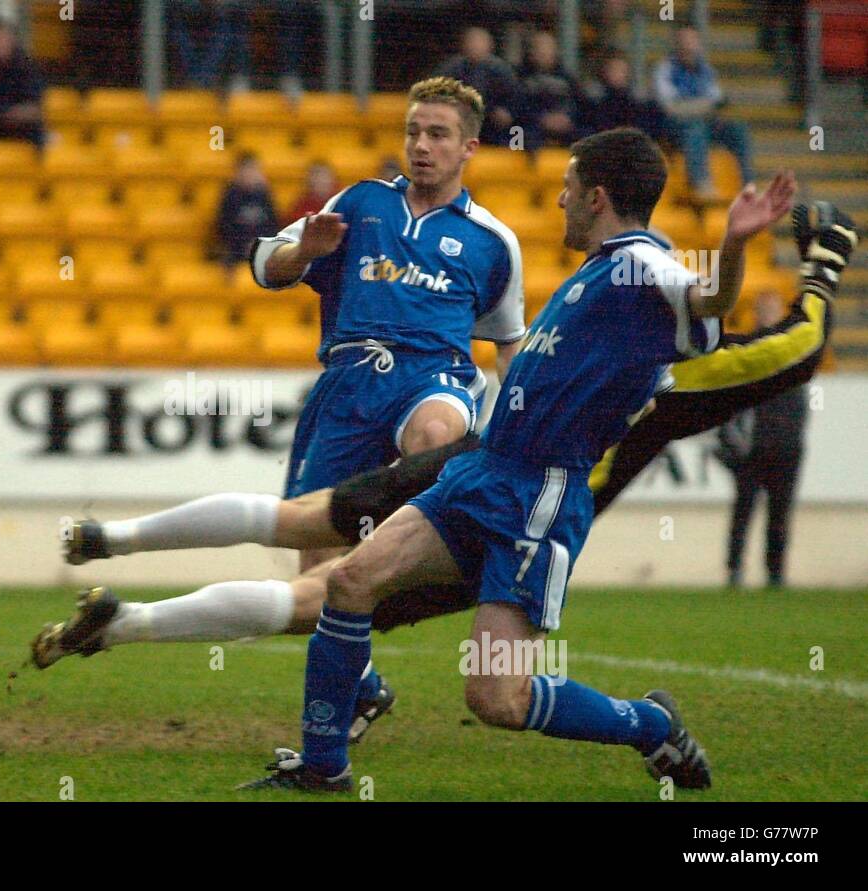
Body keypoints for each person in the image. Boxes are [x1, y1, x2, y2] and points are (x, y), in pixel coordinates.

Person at [36, 201, 853, 747]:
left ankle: (125, 608)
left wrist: (819, 264)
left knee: (335, 598)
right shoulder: (602, 285)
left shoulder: (671, 356)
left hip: (517, 515)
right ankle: (127, 572)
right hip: (472, 471)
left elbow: (779, 341)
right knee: (315, 543)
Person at [244, 130, 794, 792]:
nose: (558, 197)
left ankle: (650, 724)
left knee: (496, 698)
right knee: (349, 581)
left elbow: (708, 300)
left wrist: (734, 242)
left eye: (567, 186)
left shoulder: (641, 264)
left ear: (595, 197)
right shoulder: (598, 269)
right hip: (481, 475)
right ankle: (324, 768)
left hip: (537, 497)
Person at [252, 76, 524, 574]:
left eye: (438, 134)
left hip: (432, 375)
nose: (421, 145)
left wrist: (530, 420)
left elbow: (508, 345)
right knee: (316, 554)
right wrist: (305, 252)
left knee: (438, 432)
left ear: (469, 147)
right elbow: (267, 266)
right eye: (412, 131)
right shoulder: (360, 204)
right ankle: (349, 629)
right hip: (350, 380)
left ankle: (414, 549)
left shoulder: (492, 241)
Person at [723, 291, 811, 588]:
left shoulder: (791, 350)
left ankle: (775, 572)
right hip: (752, 449)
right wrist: (735, 445)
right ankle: (734, 569)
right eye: (764, 309)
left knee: (780, 514)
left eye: (772, 308)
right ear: (756, 313)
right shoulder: (749, 350)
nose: (768, 314)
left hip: (787, 448)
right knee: (743, 510)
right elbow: (730, 403)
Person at [654, 24, 755, 199]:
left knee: (738, 129)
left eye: (692, 41)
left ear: (698, 43)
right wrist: (703, 106)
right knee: (695, 127)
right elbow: (670, 108)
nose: (688, 46)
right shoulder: (665, 69)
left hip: (705, 123)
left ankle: (747, 186)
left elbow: (718, 101)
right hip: (674, 126)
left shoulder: (706, 71)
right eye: (683, 41)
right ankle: (701, 183)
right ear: (676, 44)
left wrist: (696, 106)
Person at [437, 28, 519, 147]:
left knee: (520, 132)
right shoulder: (451, 69)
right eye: (472, 41)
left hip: (492, 124)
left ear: (490, 45)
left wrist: (507, 111)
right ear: (464, 45)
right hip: (460, 123)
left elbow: (516, 98)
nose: (476, 45)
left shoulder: (502, 71)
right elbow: (435, 95)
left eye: (481, 41)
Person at [515, 31, 583, 149]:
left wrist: (567, 118)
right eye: (539, 47)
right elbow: (516, 105)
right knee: (517, 134)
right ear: (531, 51)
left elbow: (580, 105)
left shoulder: (566, 78)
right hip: (531, 125)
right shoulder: (520, 76)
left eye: (548, 47)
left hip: (564, 125)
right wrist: (541, 118)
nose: (544, 52)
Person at [168, 0, 253, 92]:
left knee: (233, 19)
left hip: (223, 10)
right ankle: (197, 81)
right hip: (187, 8)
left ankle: (234, 77)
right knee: (173, 16)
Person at [582, 54, 669, 142]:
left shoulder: (639, 101)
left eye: (622, 70)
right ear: (604, 72)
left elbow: (652, 128)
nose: (617, 74)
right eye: (613, 70)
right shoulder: (594, 100)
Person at [215, 152, 279, 268]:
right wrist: (244, 245)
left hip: (262, 248)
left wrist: (260, 244)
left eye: (255, 170)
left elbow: (273, 225)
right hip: (237, 251)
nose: (251, 174)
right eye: (247, 170)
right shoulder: (230, 196)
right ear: (238, 172)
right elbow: (224, 227)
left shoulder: (265, 195)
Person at [282, 161, 337, 227]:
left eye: (324, 177)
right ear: (309, 181)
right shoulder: (300, 208)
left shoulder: (341, 203)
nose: (321, 181)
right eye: (316, 177)